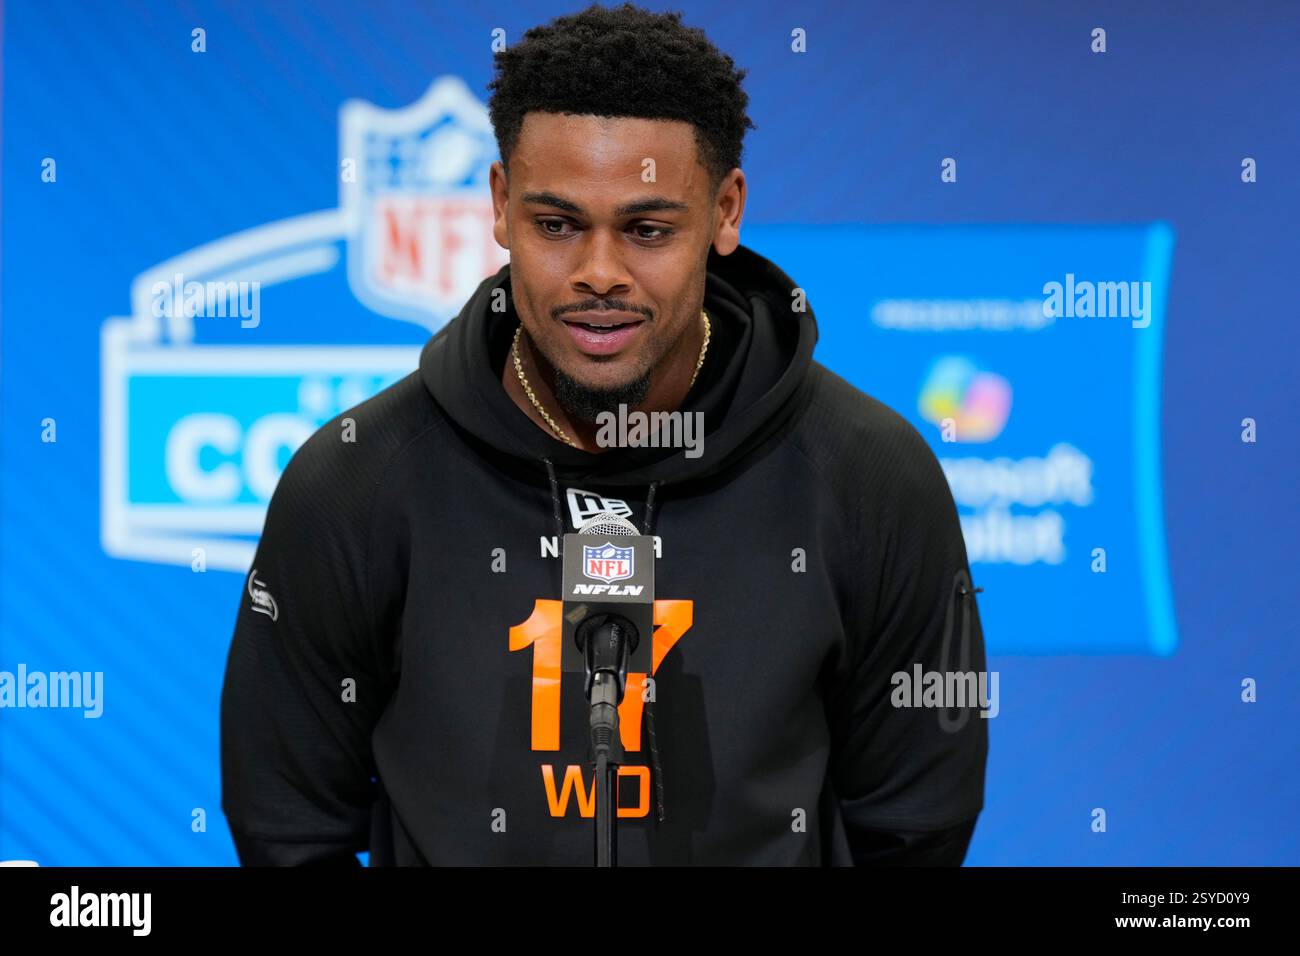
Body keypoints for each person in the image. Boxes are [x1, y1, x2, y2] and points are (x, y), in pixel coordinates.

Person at [220, 2, 988, 866]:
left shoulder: (870, 476)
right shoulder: (357, 480)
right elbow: (287, 826)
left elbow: (916, 827)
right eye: (557, 225)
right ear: (502, 205)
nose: (598, 274)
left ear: (726, 212)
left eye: (647, 229)